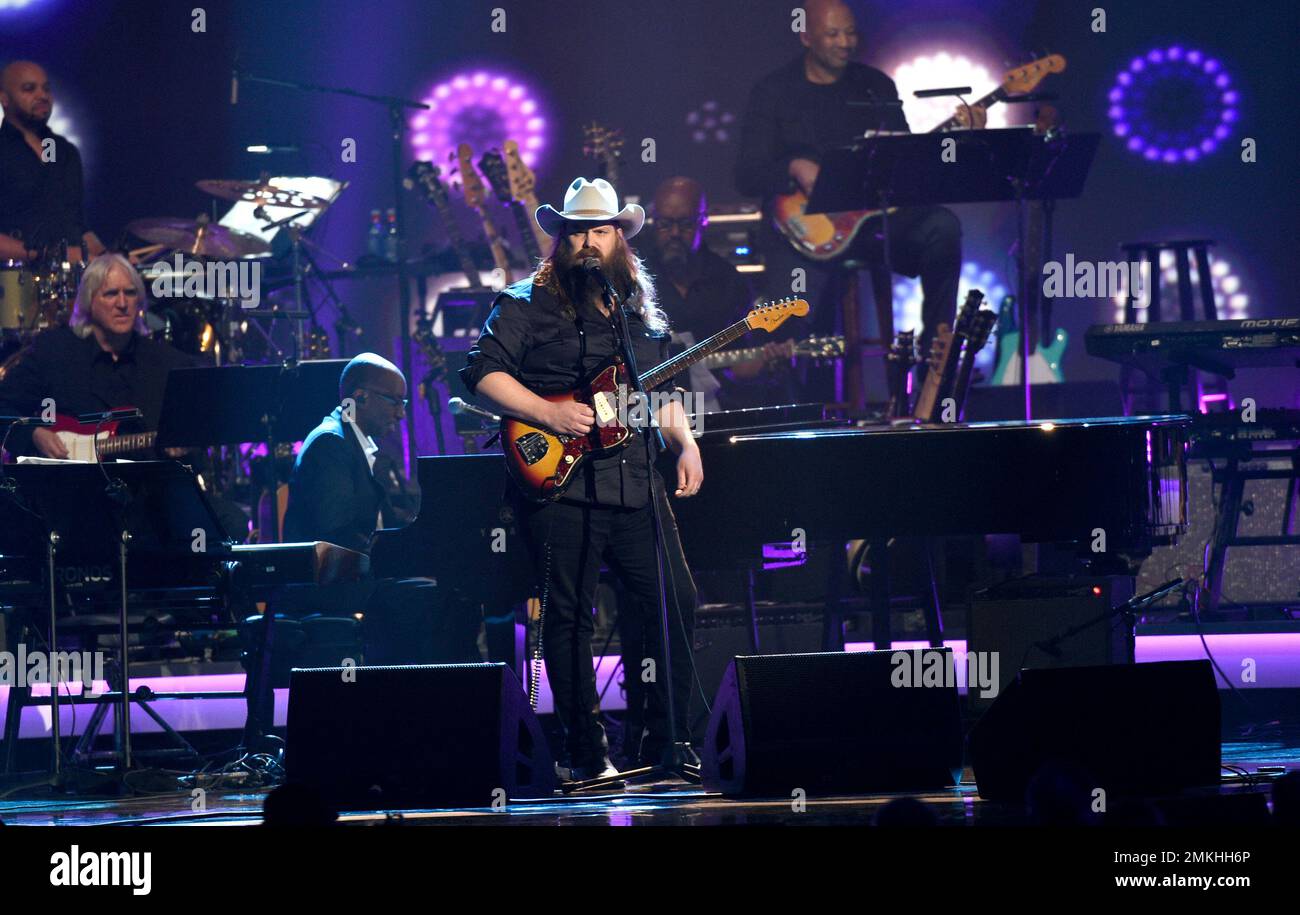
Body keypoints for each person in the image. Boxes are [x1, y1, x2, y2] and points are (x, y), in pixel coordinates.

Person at [460, 177, 701, 782]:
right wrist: (547, 412)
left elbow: (657, 390)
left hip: (636, 480)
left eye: (600, 231)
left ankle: (663, 737)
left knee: (674, 600)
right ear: (560, 238)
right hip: (561, 480)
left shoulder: (636, 313)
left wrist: (685, 440)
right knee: (569, 618)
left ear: (619, 238)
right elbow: (480, 374)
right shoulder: (524, 303)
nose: (589, 243)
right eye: (577, 232)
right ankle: (586, 752)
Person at [735, 0, 983, 388]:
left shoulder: (876, 85)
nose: (845, 42)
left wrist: (958, 138)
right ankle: (793, 410)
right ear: (806, 36)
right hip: (800, 234)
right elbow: (746, 173)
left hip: (870, 225)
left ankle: (937, 362)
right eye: (833, 34)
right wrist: (793, 167)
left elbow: (905, 159)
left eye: (850, 33)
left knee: (942, 226)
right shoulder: (774, 92)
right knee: (788, 319)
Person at [283, 353, 478, 664]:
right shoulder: (330, 445)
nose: (401, 414)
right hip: (329, 585)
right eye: (394, 401)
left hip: (355, 576)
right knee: (441, 602)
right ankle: (437, 698)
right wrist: (396, 554)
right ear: (360, 396)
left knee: (455, 593)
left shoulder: (353, 442)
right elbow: (335, 532)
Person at [0, 253, 193, 459]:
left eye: (130, 293)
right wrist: (33, 434)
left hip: (145, 485)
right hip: (72, 486)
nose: (122, 303)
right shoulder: (54, 352)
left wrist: (182, 447)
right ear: (89, 301)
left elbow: (191, 426)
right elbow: (4, 407)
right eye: (111, 294)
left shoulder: (167, 363)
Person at [638, 176, 793, 412]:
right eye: (665, 224)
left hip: (713, 409)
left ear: (704, 221)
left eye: (686, 224)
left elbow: (739, 366)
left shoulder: (729, 281)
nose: (675, 234)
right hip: (651, 412)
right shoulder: (637, 279)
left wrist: (766, 362)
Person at [0, 60, 104, 262]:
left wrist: (108, 258)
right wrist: (52, 255)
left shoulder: (64, 151)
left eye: (46, 89)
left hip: (70, 283)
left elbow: (75, 225)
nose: (42, 96)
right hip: (13, 282)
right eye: (29, 89)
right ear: (4, 98)